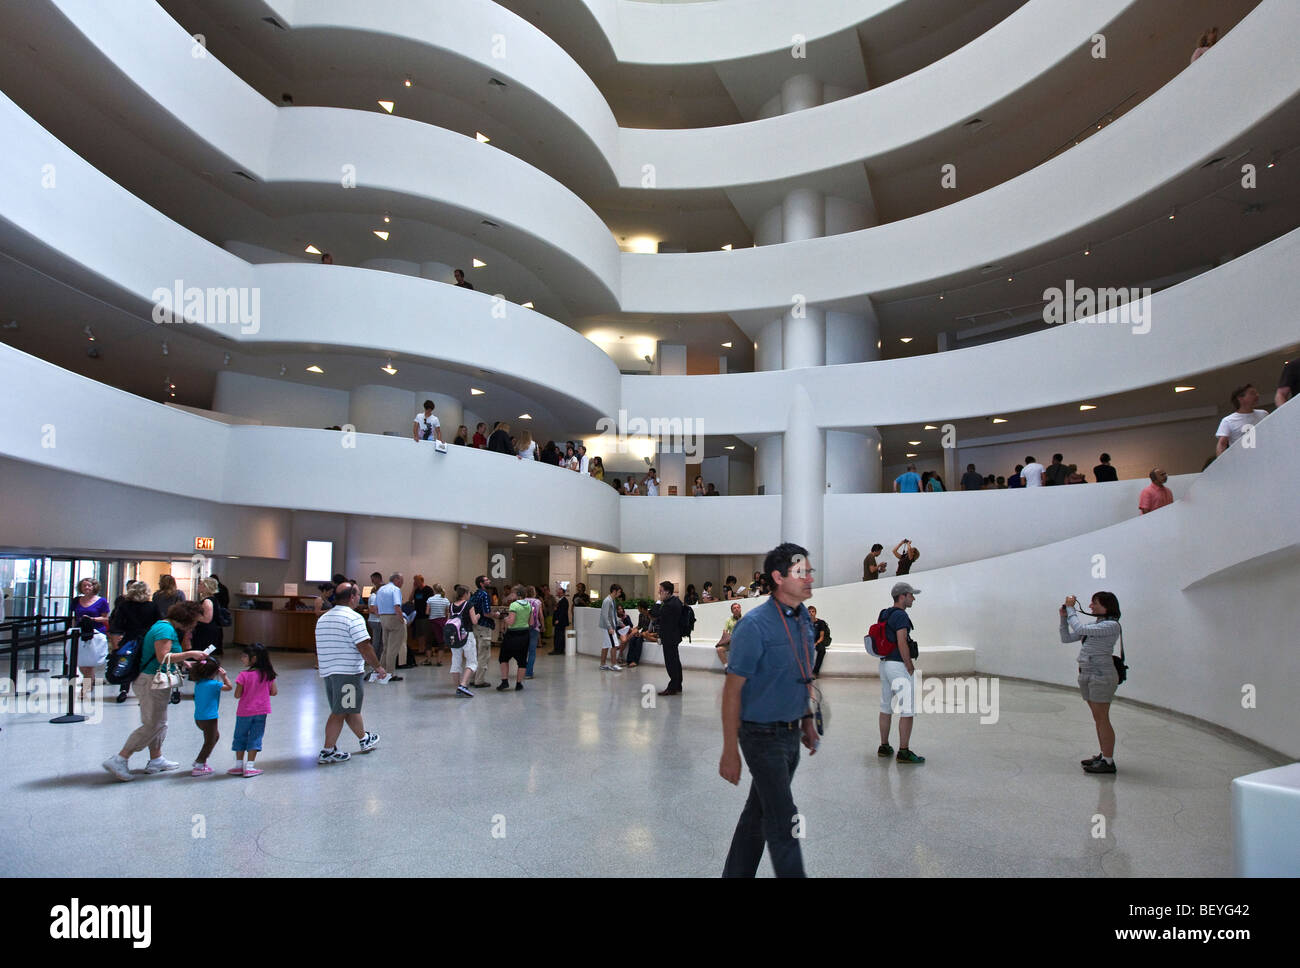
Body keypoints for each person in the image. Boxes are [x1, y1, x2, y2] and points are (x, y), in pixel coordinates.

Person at [719, 542, 819, 878]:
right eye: (800, 572)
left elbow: (800, 671)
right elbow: (732, 691)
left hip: (790, 735)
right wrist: (729, 750)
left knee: (757, 815)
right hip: (760, 737)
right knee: (783, 821)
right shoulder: (754, 626)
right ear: (777, 577)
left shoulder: (803, 616)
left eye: (809, 571)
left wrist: (806, 719)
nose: (809, 578)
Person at [102, 601, 210, 781]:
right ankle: (121, 758)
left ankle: (156, 758)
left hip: (155, 680)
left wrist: (182, 662)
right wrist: (190, 654)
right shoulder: (165, 630)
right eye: (194, 621)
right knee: (153, 724)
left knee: (160, 721)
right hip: (151, 681)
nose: (195, 625)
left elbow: (165, 653)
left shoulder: (164, 627)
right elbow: (163, 657)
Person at [314, 582, 382, 764]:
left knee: (348, 709)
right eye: (358, 594)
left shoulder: (324, 618)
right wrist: (378, 667)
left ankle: (364, 739)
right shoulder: (354, 618)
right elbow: (365, 646)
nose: (359, 597)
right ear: (352, 597)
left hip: (329, 673)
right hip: (348, 674)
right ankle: (327, 750)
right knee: (340, 711)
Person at [1060, 592, 1124, 773]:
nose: (1091, 606)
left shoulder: (1112, 626)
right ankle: (1104, 755)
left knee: (1102, 718)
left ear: (1107, 606)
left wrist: (1071, 608)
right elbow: (1066, 638)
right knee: (1098, 717)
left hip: (1101, 675)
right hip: (1088, 673)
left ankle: (1109, 761)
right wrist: (1063, 619)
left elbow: (1079, 629)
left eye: (1095, 603)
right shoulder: (1096, 625)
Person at [877, 582, 924, 764]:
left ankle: (884, 746)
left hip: (884, 664)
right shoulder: (901, 616)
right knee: (908, 709)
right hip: (897, 665)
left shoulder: (884, 613)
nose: (913, 598)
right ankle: (903, 751)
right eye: (911, 595)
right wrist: (909, 665)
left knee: (885, 705)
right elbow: (902, 641)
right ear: (902, 596)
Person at [107, 581, 159, 703]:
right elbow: (158, 623)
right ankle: (145, 692)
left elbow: (116, 624)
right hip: (147, 640)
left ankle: (124, 690)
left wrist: (115, 643)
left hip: (129, 639)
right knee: (145, 665)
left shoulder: (124, 606)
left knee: (128, 663)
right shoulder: (152, 606)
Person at [229, 643, 277, 776]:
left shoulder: (243, 675)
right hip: (262, 711)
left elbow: (237, 695)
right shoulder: (268, 674)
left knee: (240, 736)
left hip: (244, 712)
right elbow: (273, 692)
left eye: (244, 656)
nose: (242, 659)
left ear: (254, 658)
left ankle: (238, 765)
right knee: (256, 737)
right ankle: (250, 766)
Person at [188, 656, 233, 777]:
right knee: (210, 741)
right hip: (210, 718)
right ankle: (199, 764)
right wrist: (224, 677)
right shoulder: (214, 684)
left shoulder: (199, 683)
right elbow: (229, 687)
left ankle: (201, 760)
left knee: (214, 737)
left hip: (199, 717)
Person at [69, 577, 110, 701]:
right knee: (82, 663)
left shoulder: (102, 601)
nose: (87, 588)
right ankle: (89, 683)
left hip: (95, 634)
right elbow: (74, 618)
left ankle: (85, 689)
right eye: (84, 586)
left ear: (94, 587)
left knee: (89, 665)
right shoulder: (76, 601)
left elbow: (105, 618)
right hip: (80, 633)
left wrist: (92, 619)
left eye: (89, 586)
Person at [445, 584, 479, 697]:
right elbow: (474, 621)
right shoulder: (468, 604)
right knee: (472, 661)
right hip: (467, 635)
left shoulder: (450, 605)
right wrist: (478, 616)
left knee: (456, 662)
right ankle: (463, 685)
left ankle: (458, 688)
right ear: (465, 594)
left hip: (454, 637)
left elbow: (449, 620)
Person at [1215, 384, 1268, 456]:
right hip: (1242, 459)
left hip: (1264, 454)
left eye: (1256, 393)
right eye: (1252, 393)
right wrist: (1222, 464)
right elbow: (1222, 444)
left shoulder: (1263, 414)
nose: (1257, 395)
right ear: (1240, 398)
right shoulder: (1228, 421)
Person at [372, 573, 407, 681]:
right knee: (393, 648)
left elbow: (375, 608)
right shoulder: (395, 589)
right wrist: (401, 620)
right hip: (394, 618)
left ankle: (381, 671)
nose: (402, 583)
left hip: (383, 618)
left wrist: (381, 617)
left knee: (385, 647)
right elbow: (397, 606)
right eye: (401, 580)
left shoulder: (381, 590)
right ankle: (390, 674)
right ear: (396, 580)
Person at [497, 584, 531, 691]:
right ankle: (519, 684)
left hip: (512, 635)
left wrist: (503, 617)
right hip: (525, 634)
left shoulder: (514, 606)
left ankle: (504, 681)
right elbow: (531, 622)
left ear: (516, 594)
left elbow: (511, 621)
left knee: (503, 658)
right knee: (522, 660)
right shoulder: (529, 605)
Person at [656, 581, 684, 696]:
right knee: (675, 661)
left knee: (671, 662)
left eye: (661, 590)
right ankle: (677, 685)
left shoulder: (669, 605)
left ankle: (673, 687)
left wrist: (658, 603)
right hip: (674, 636)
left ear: (667, 592)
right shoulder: (676, 601)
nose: (659, 593)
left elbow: (655, 614)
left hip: (669, 637)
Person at [469, 576, 495, 687]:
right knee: (484, 654)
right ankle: (479, 681)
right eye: (487, 580)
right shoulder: (484, 595)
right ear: (481, 583)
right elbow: (486, 613)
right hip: (484, 627)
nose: (489, 581)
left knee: (475, 654)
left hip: (475, 626)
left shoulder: (475, 595)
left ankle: (472, 678)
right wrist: (496, 615)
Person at [598, 584, 623, 672]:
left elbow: (613, 616)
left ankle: (603, 664)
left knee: (605, 645)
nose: (620, 594)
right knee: (614, 645)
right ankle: (613, 664)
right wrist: (610, 628)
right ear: (614, 591)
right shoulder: (607, 601)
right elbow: (605, 616)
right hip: (608, 628)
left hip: (609, 627)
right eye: (619, 592)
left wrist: (619, 622)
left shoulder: (612, 601)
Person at [423, 583, 450, 666]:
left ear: (434, 590)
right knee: (441, 642)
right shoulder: (446, 600)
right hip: (442, 622)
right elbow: (447, 613)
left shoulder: (430, 599)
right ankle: (439, 661)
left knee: (428, 642)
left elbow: (427, 612)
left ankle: (428, 660)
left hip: (432, 622)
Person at [365, 571, 384, 675]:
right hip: (375, 621)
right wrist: (382, 614)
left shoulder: (377, 595)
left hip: (378, 621)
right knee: (376, 642)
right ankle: (374, 661)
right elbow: (372, 609)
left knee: (380, 642)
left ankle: (379, 660)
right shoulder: (374, 596)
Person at [715, 601, 743, 670]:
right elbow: (725, 632)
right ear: (732, 611)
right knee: (719, 650)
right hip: (731, 642)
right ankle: (726, 667)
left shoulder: (745, 619)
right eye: (734, 608)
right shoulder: (728, 620)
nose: (736, 609)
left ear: (740, 609)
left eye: (738, 607)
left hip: (742, 642)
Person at [524, 585, 542, 679]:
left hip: (523, 628)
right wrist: (543, 626)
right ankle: (529, 672)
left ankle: (523, 669)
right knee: (532, 651)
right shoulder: (538, 602)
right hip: (534, 627)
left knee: (523, 650)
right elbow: (540, 615)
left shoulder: (522, 601)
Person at [810, 606, 831, 678]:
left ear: (815, 613)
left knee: (822, 650)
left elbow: (822, 636)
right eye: (809, 612)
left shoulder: (820, 622)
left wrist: (815, 644)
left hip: (818, 641)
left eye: (813, 611)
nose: (811, 613)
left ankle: (815, 672)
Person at [550, 584, 570, 655]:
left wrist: (558, 619)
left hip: (560, 621)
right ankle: (559, 649)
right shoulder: (560, 600)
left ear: (563, 593)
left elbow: (563, 612)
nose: (558, 593)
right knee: (559, 635)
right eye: (558, 592)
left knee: (559, 636)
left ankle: (558, 650)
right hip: (559, 621)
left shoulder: (564, 601)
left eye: (560, 593)